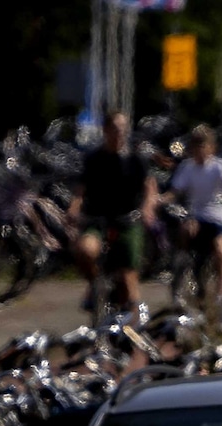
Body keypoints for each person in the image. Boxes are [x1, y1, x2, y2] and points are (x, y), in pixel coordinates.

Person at [72, 112, 156, 314]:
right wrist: (73, 208)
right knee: (85, 250)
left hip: (127, 219)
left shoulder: (135, 159)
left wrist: (147, 208)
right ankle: (95, 284)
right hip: (98, 219)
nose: (119, 133)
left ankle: (133, 327)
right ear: (105, 130)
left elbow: (150, 187)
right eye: (115, 128)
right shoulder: (94, 158)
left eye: (123, 128)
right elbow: (80, 190)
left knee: (128, 277)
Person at [169, 125, 222, 307]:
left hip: (218, 216)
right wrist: (160, 199)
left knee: (220, 248)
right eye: (196, 145)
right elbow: (175, 191)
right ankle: (181, 271)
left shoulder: (220, 167)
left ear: (211, 147)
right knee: (184, 231)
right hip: (196, 215)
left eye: (203, 145)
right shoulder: (187, 167)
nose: (200, 150)